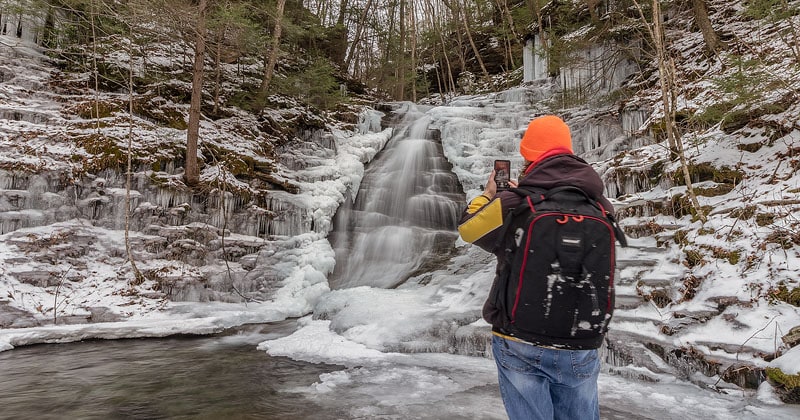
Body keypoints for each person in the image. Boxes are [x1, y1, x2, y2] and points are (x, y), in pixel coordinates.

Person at [458, 115, 615, 420]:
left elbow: (468, 229)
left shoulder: (514, 203)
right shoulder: (600, 206)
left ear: (529, 156)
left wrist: (492, 195)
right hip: (580, 341)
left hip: (520, 339)